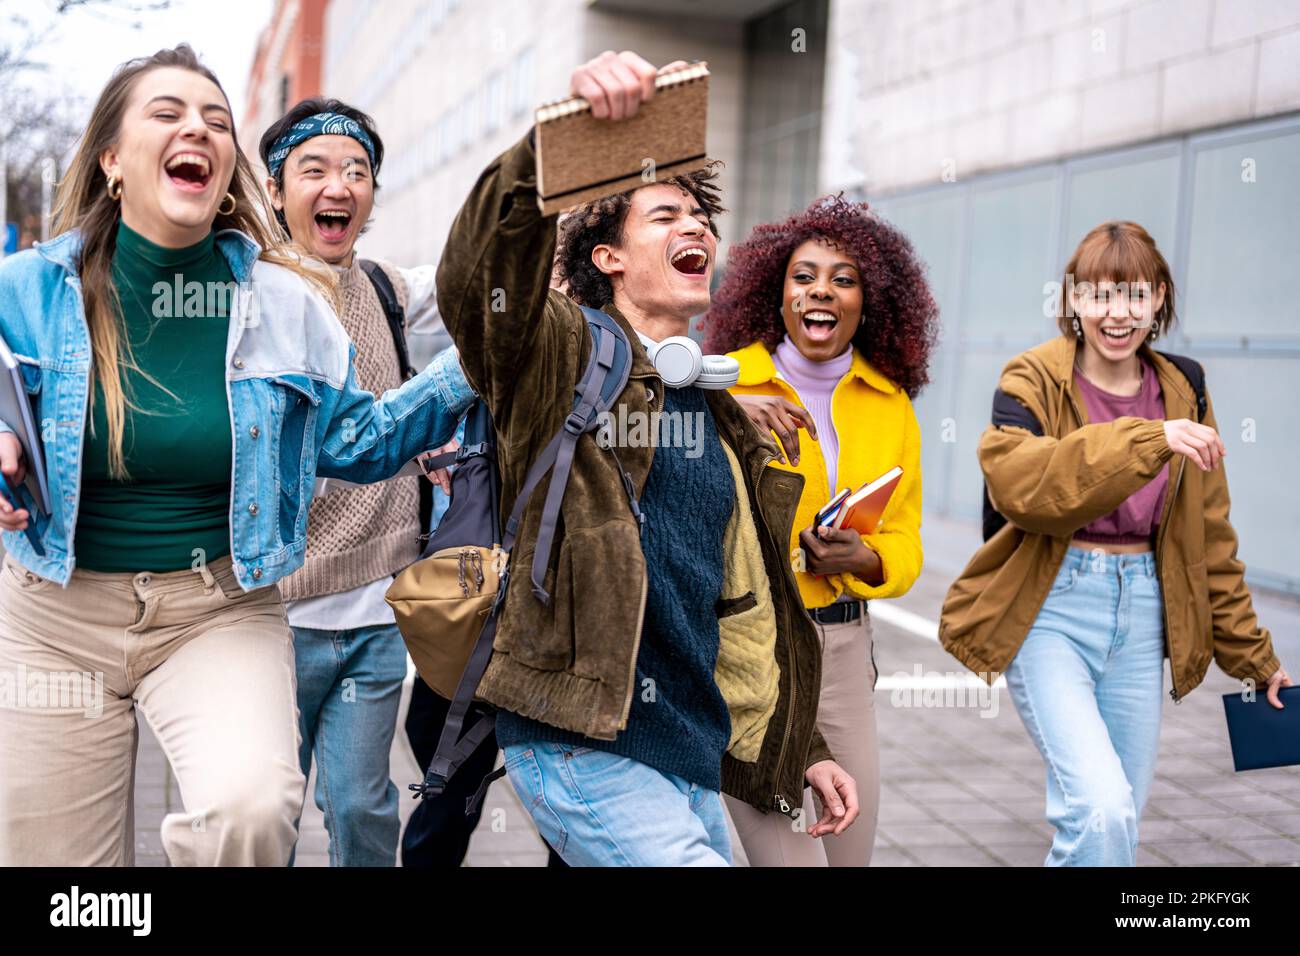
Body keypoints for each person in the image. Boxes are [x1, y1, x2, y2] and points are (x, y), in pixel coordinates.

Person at [0, 45, 472, 866]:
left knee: (251, 812)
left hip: (217, 608)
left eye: (217, 121)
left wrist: (479, 358)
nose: (200, 130)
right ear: (112, 159)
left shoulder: (282, 300)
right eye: (170, 114)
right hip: (53, 616)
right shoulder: (24, 292)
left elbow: (358, 441)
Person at [436, 49, 859, 866]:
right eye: (663, 217)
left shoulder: (719, 408)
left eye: (698, 218)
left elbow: (744, 607)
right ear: (608, 258)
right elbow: (478, 278)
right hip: (580, 746)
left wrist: (800, 745)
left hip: (687, 757)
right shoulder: (560, 359)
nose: (695, 226)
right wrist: (552, 150)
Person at [940, 220, 1292, 866]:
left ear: (1159, 299)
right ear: (1072, 299)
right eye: (1100, 295)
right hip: (1052, 609)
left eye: (1135, 294)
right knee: (1099, 811)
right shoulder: (1032, 379)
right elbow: (1026, 486)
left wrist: (1256, 659)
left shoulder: (1185, 387)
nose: (1117, 313)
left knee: (1118, 824)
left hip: (1144, 618)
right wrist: (1150, 439)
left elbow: (1209, 539)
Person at [257, 96, 466, 867]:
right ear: (276, 190)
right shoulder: (244, 294)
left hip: (376, 614)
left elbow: (487, 289)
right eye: (313, 169)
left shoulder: (389, 291)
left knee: (361, 807)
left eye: (357, 170)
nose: (338, 185)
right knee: (260, 815)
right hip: (264, 621)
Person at [704, 196, 937, 865]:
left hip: (842, 649)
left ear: (870, 301)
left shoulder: (890, 404)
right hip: (752, 650)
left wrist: (864, 556)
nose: (821, 291)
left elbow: (908, 539)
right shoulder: (723, 385)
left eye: (844, 278)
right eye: (804, 276)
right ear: (775, 293)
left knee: (851, 854)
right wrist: (724, 416)